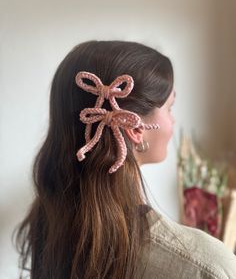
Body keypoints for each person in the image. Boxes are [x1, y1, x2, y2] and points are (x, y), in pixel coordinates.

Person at [13, 40, 236, 279]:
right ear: (133, 126)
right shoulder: (207, 266)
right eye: (170, 108)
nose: (174, 122)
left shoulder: (46, 228)